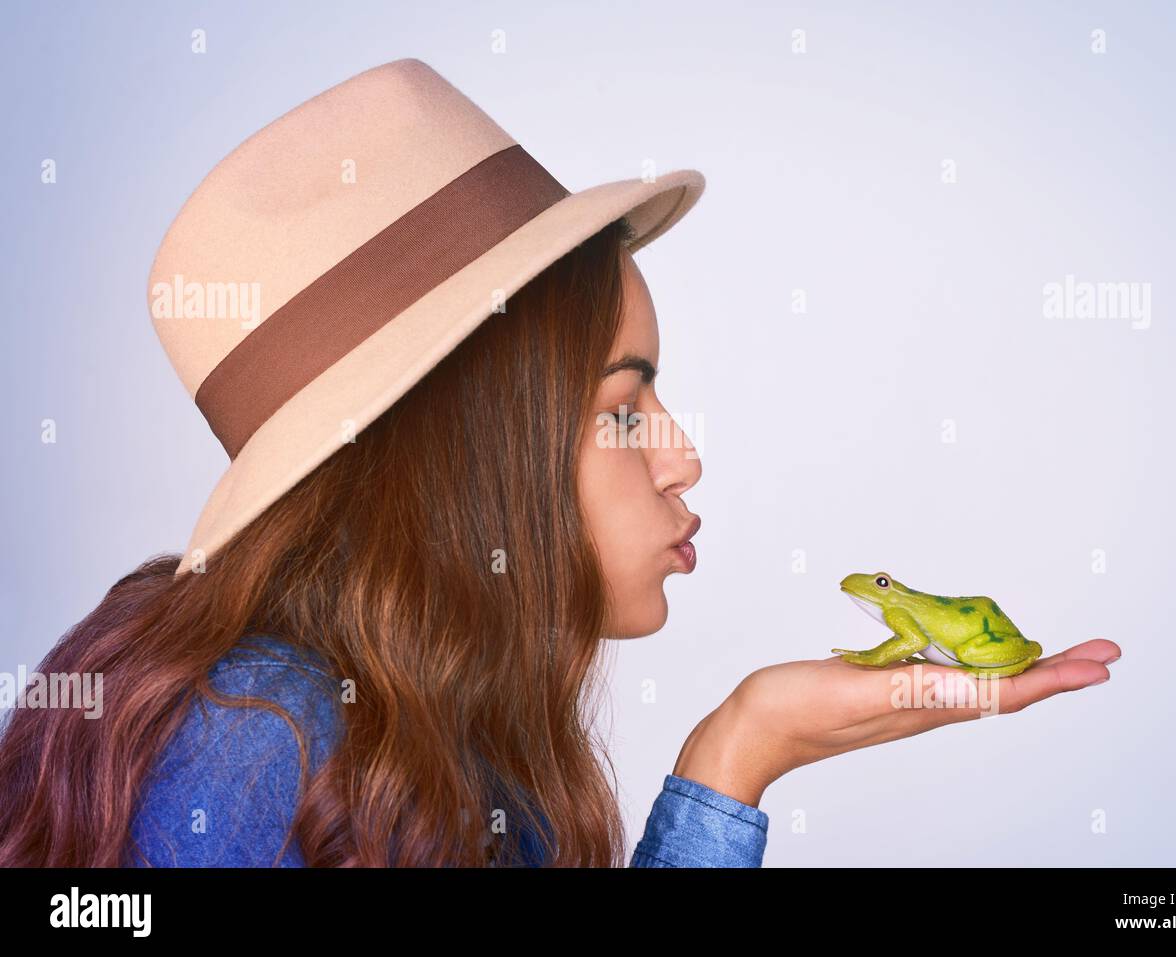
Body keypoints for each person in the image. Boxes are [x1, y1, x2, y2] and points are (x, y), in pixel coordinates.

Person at [0, 60, 1119, 868]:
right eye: (624, 404)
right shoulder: (259, 747)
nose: (682, 458)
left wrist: (737, 754)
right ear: (459, 446)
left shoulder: (429, 730)